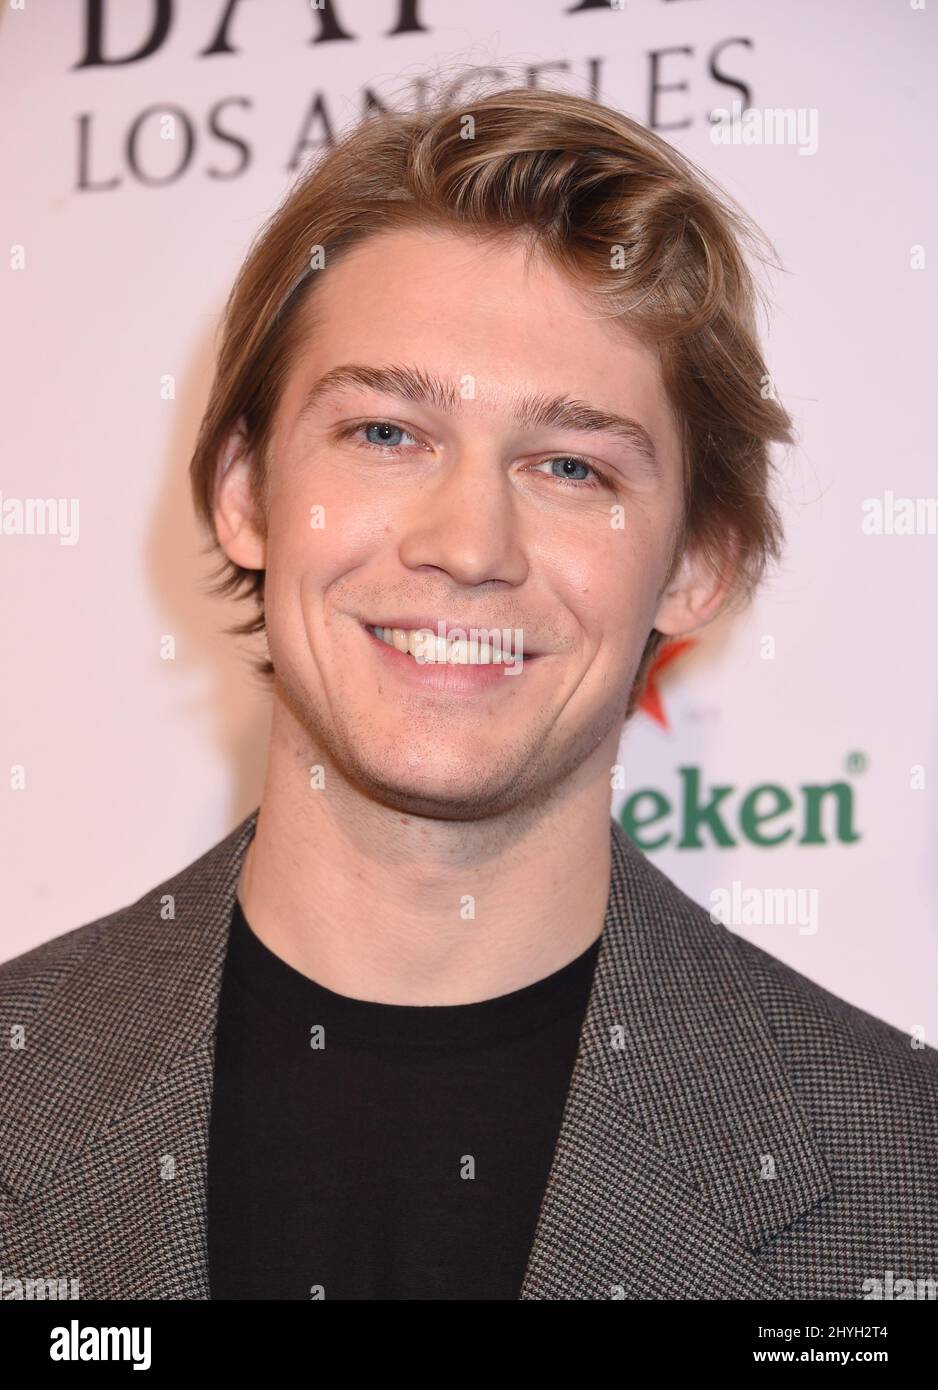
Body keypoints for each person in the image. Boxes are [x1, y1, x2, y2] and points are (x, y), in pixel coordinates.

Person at [1, 85, 935, 1303]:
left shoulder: (904, 1184)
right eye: (387, 433)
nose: (467, 540)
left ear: (697, 562)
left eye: (568, 463)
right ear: (243, 494)